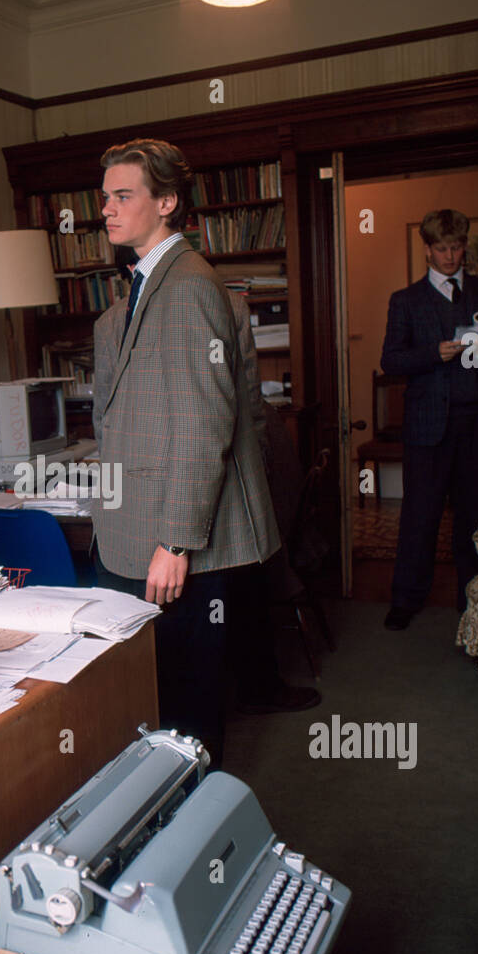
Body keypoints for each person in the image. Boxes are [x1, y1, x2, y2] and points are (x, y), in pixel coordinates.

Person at [91, 138, 283, 765]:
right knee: (158, 697)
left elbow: (204, 422)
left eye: (124, 196)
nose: (107, 210)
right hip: (136, 525)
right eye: (105, 197)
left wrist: (175, 542)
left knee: (188, 707)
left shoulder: (188, 286)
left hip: (174, 541)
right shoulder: (143, 288)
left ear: (167, 202)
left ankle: (194, 841)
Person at [99, 246, 321, 716]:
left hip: (222, 476)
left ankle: (259, 686)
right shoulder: (109, 325)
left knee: (243, 592)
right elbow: (106, 414)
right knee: (181, 628)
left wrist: (254, 472)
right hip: (144, 493)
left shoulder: (220, 303)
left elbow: (244, 403)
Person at [381, 209, 478, 630]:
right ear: (427, 250)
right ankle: (405, 599)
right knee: (421, 513)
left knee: (474, 516)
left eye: (456, 247)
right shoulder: (406, 300)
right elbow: (391, 361)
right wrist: (433, 353)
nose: (450, 255)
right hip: (428, 425)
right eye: (441, 248)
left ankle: (472, 599)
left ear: (464, 246)